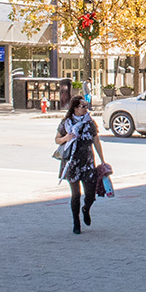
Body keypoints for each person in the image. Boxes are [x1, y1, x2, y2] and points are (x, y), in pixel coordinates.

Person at [55, 95, 105, 234]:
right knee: (76, 194)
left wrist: (102, 160)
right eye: (83, 106)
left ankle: (86, 209)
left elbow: (96, 141)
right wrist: (66, 137)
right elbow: (57, 140)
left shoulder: (90, 123)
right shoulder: (66, 123)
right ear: (75, 108)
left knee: (90, 194)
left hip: (88, 162)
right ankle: (76, 223)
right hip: (72, 162)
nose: (86, 108)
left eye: (86, 106)